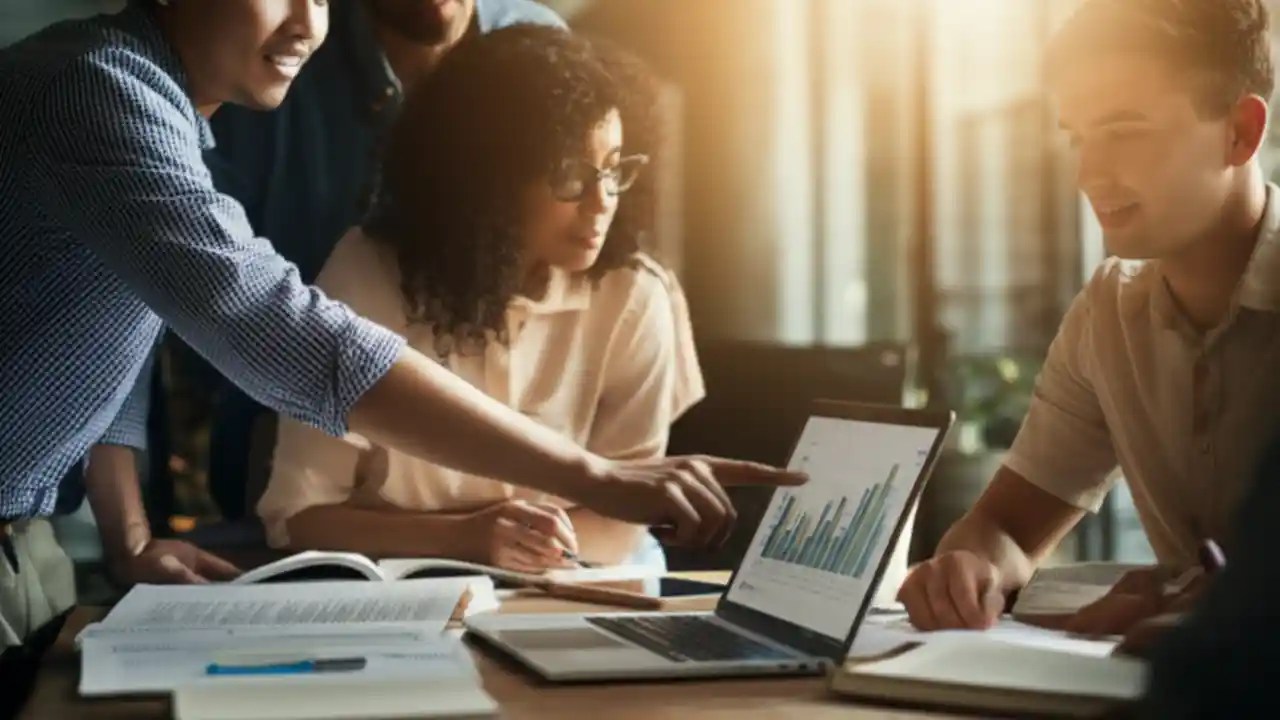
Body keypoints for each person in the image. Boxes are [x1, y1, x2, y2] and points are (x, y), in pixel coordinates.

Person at [0, 0, 802, 651]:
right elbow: (276, 329)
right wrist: (590, 476)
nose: (306, 24)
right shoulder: (96, 90)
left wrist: (130, 537)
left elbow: (118, 326)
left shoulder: (149, 103)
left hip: (27, 537)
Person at [897, 0, 1280, 633]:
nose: (1088, 174)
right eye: (1079, 137)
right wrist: (966, 570)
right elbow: (1005, 528)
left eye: (1126, 130)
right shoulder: (1110, 312)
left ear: (1239, 132)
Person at [257, 27, 699, 572]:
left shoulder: (633, 294)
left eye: (613, 169)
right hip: (398, 590)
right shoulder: (368, 272)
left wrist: (525, 551)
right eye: (570, 175)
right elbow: (300, 518)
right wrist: (465, 539)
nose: (601, 201)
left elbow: (624, 520)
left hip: (582, 583)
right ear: (491, 177)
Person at [202, 0, 566, 517]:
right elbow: (161, 276)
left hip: (509, 470)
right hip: (290, 458)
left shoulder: (540, 46)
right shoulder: (276, 54)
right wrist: (128, 527)